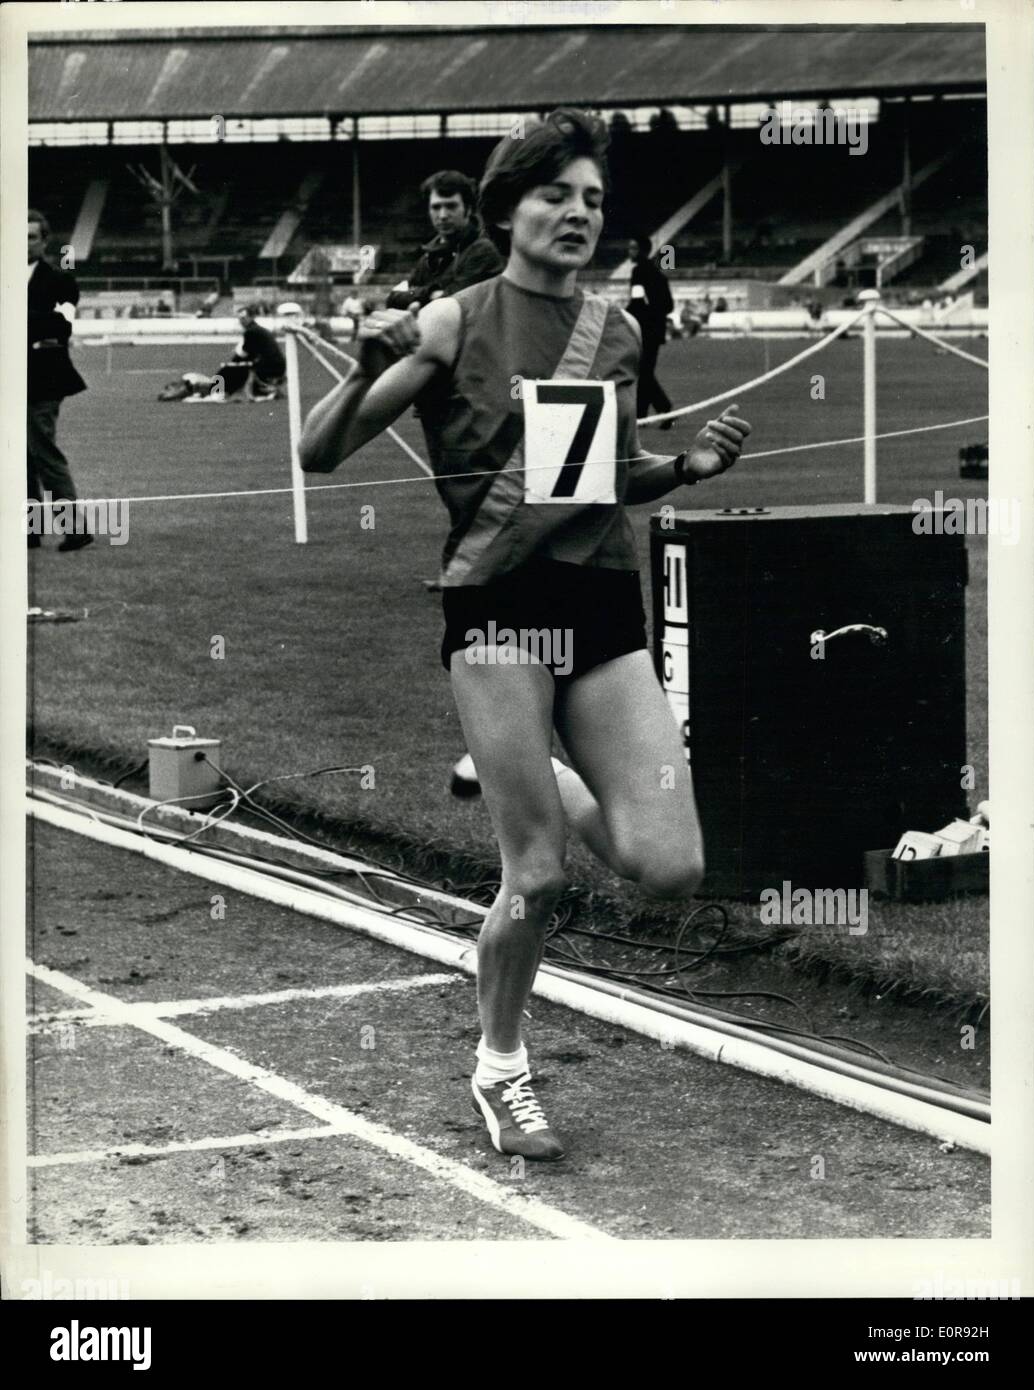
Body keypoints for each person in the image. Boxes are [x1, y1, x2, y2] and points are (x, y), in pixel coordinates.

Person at [299, 109, 750, 1163]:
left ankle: (526, 759)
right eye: (557, 194)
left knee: (671, 861)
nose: (578, 214)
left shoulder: (621, 332)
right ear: (509, 208)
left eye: (594, 199)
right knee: (537, 873)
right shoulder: (455, 322)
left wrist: (684, 471)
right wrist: (361, 369)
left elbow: (605, 473)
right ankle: (501, 1067)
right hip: (498, 609)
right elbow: (322, 453)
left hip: (599, 603)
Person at [27, 209, 92, 552]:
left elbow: (61, 328)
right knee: (22, 455)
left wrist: (26, 322)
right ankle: (31, 530)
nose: (24, 244)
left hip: (45, 379)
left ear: (45, 241)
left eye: (31, 238)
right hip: (15, 376)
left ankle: (75, 528)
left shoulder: (60, 280)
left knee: (43, 450)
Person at [385, 170, 503, 311]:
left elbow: (450, 305)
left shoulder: (482, 250)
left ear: (469, 209)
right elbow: (393, 299)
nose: (442, 215)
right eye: (436, 207)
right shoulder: (428, 256)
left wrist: (416, 295)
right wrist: (429, 293)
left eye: (451, 206)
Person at [626, 233, 674, 426]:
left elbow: (636, 302)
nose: (630, 251)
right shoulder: (659, 273)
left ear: (643, 250)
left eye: (633, 248)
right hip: (656, 330)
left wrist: (622, 314)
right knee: (645, 371)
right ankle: (643, 415)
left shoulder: (638, 272)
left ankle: (663, 409)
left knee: (643, 371)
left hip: (644, 330)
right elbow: (669, 305)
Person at [198, 305, 286, 401]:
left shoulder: (250, 332)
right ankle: (223, 390)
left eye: (243, 318)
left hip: (268, 366)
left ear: (252, 317)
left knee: (232, 369)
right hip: (276, 365)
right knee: (236, 367)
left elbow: (244, 354)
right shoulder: (258, 329)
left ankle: (218, 391)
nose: (241, 321)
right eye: (240, 318)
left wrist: (231, 364)